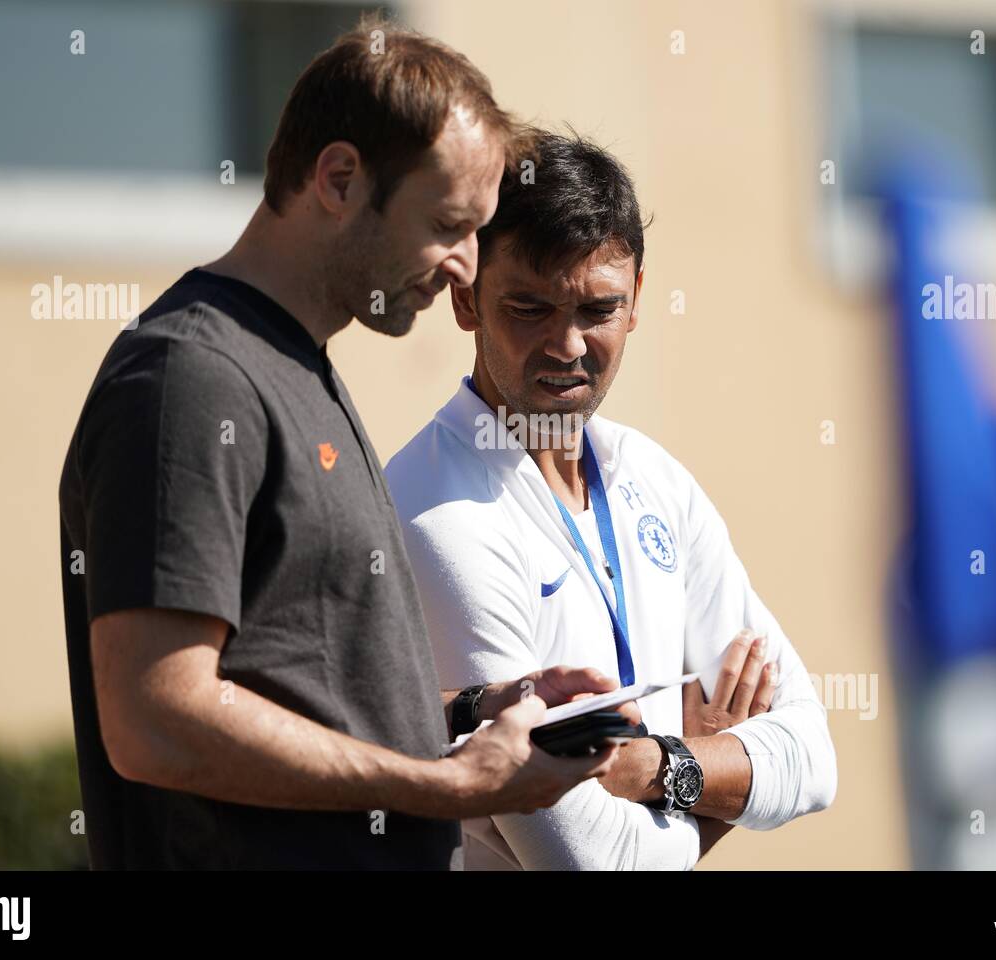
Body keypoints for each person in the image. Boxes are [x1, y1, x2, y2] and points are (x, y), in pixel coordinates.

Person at [58, 20, 627, 871]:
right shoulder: (190, 380)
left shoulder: (296, 372)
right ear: (338, 179)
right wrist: (449, 788)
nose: (468, 268)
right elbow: (154, 721)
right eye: (448, 224)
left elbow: (307, 696)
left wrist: (479, 711)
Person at [385, 130, 838, 869]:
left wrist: (661, 766)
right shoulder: (439, 517)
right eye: (528, 308)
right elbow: (587, 862)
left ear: (636, 303)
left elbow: (815, 758)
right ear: (465, 299)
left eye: (597, 309)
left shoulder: (653, 476)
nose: (567, 345)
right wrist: (718, 778)